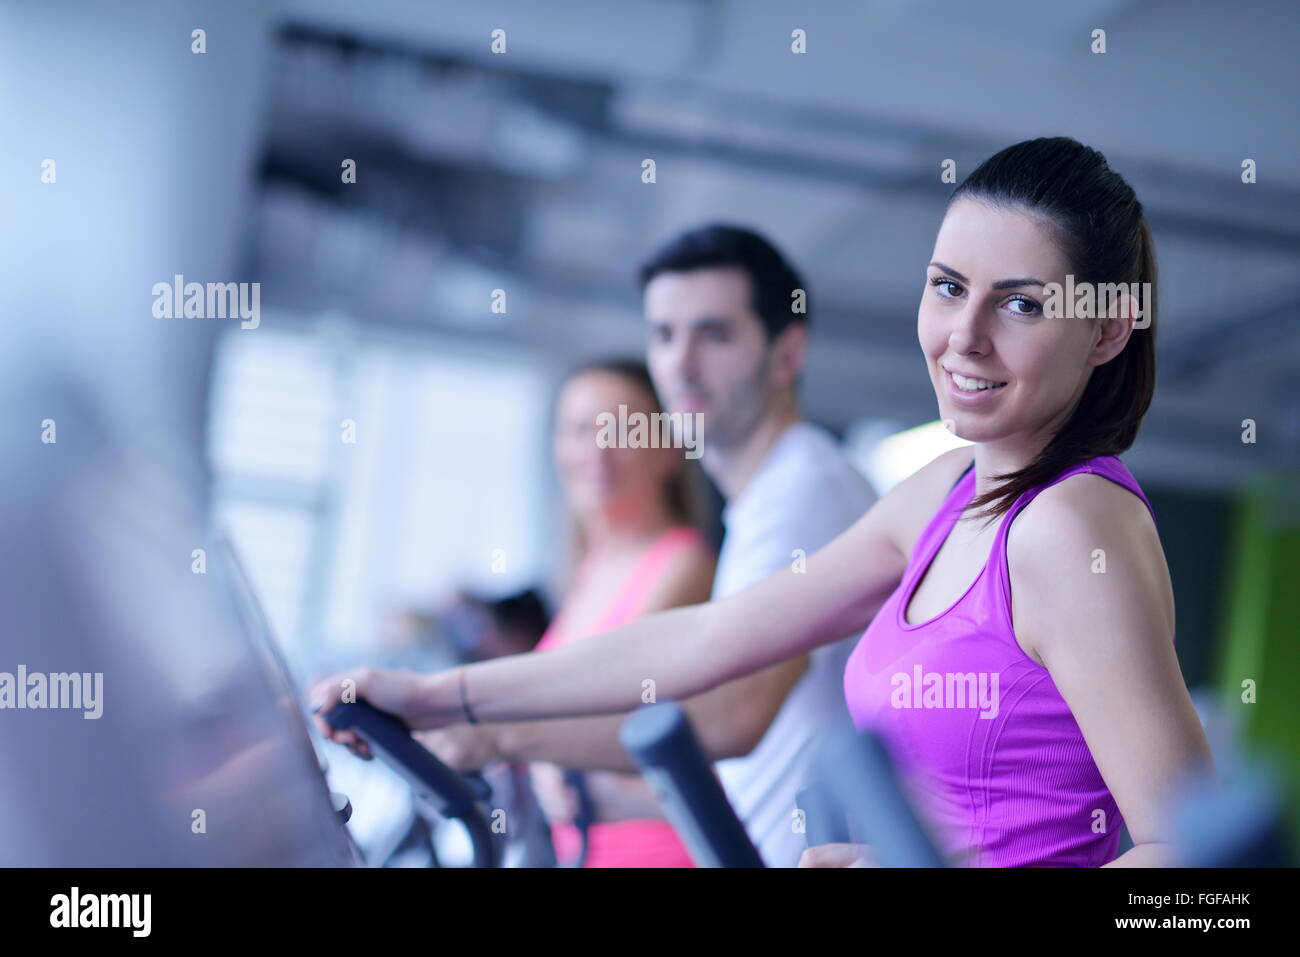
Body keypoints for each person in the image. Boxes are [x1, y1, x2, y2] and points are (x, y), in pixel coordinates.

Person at [312, 138, 1214, 867]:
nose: (963, 337)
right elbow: (708, 640)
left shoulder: (1071, 528)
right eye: (947, 287)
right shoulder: (946, 491)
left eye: (1019, 304)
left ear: (1106, 329)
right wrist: (444, 696)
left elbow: (1203, 871)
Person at [408, 225, 876, 867]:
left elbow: (730, 712)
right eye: (663, 335)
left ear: (786, 354)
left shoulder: (803, 492)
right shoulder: (766, 502)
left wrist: (493, 726)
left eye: (714, 335)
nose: (680, 365)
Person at [511, 358, 716, 867]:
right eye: (579, 429)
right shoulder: (589, 571)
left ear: (669, 450)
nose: (596, 449)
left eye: (623, 428)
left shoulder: (682, 561)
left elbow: (596, 708)